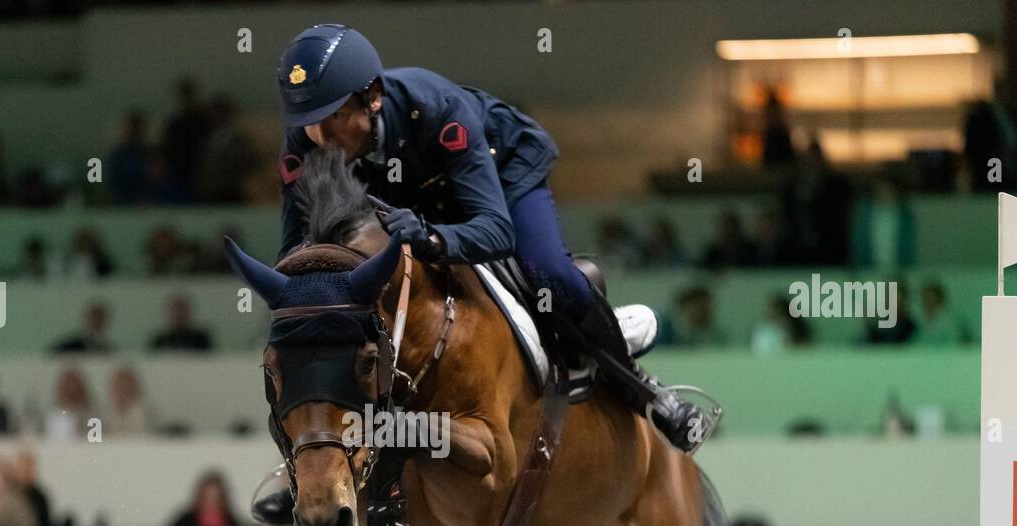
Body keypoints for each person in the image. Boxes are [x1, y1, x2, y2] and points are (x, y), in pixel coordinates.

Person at [272, 23, 704, 454]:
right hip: (416, 199)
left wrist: (434, 239)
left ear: (374, 98)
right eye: (308, 123)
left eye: (336, 118)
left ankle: (642, 389)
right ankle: (307, 462)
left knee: (546, 271)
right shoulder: (305, 145)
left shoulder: (437, 111)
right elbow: (296, 253)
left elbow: (495, 229)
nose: (322, 138)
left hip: (503, 174)